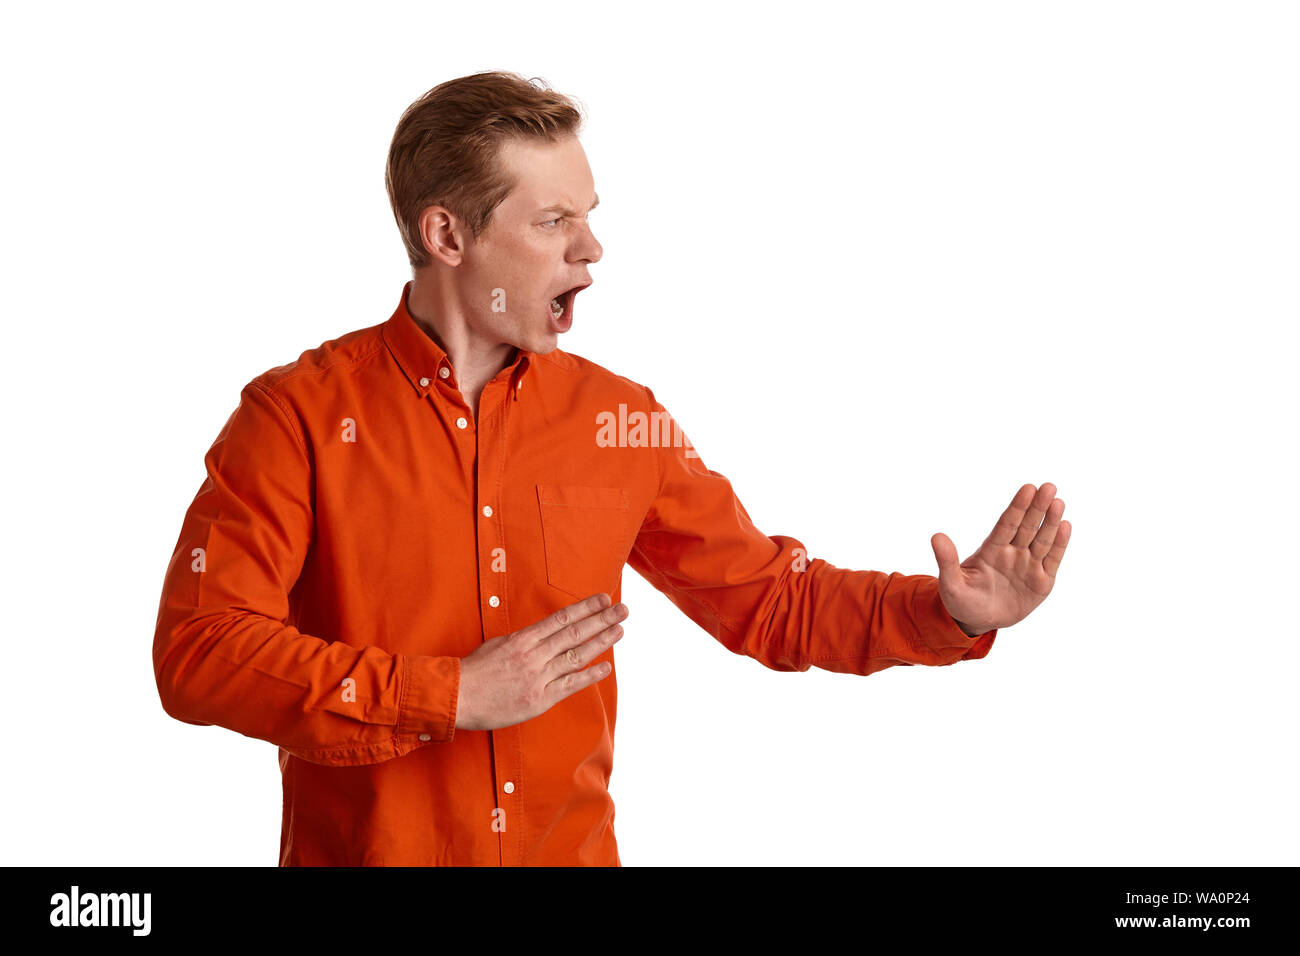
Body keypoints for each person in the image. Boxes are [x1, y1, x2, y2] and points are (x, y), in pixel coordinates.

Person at [153, 70, 1071, 866]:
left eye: (589, 219)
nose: (591, 250)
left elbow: (770, 600)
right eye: (553, 221)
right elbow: (200, 654)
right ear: (447, 236)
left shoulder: (620, 420)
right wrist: (449, 695)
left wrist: (944, 611)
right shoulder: (296, 416)